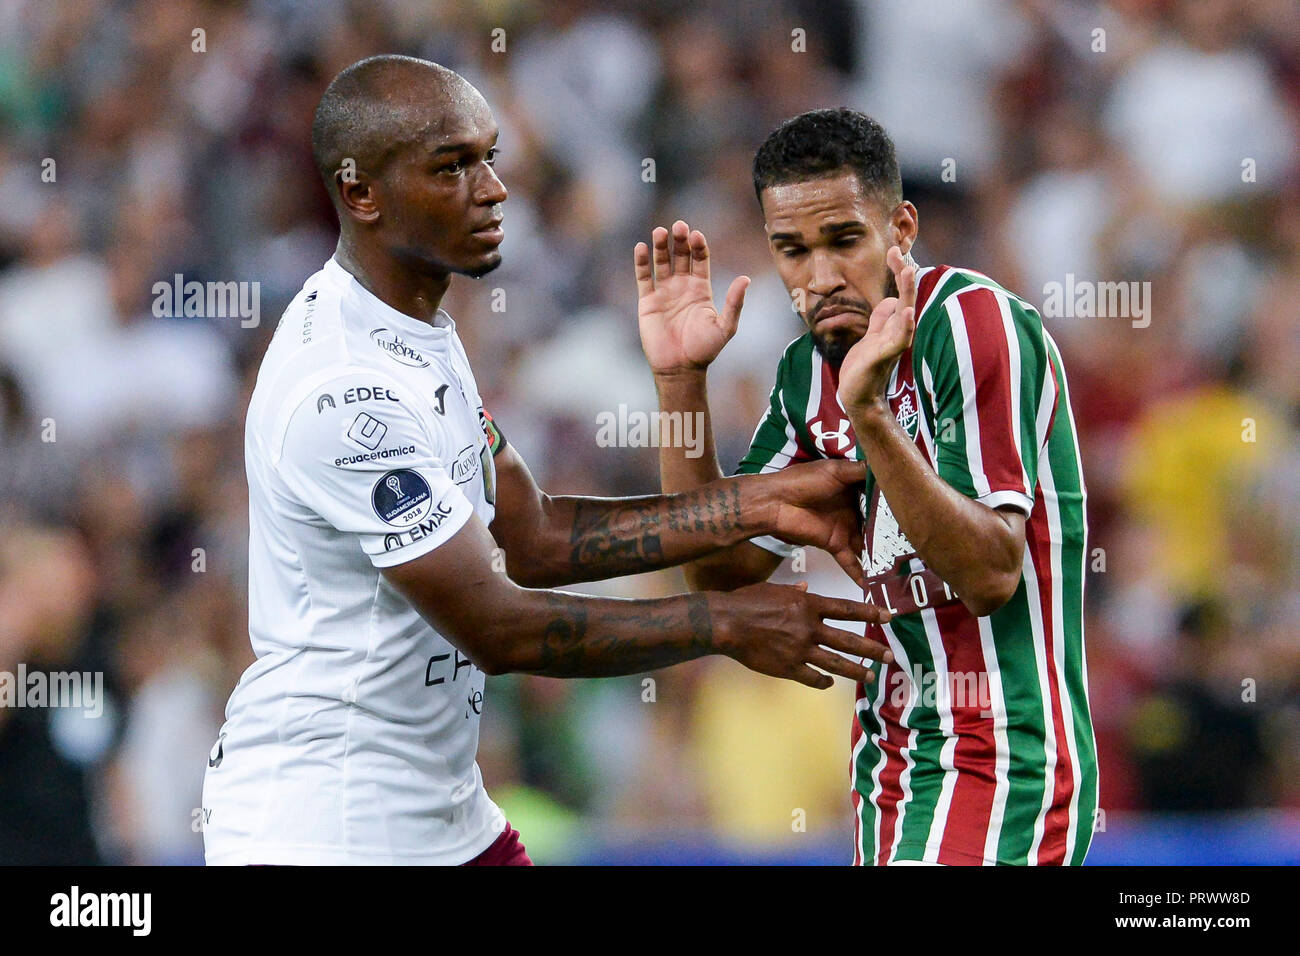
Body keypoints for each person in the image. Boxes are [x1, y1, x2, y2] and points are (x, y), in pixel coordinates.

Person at [201, 57, 892, 866]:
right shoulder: (343, 391)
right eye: (452, 167)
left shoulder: (415, 331)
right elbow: (495, 626)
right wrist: (725, 623)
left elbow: (534, 535)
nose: (493, 188)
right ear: (362, 194)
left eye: (490, 156)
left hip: (442, 817)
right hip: (329, 831)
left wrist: (757, 502)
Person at [637, 108, 1097, 866]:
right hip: (888, 762)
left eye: (843, 241)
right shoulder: (801, 375)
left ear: (901, 228)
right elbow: (718, 568)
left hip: (1005, 755)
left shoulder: (970, 322)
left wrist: (871, 418)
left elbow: (988, 574)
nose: (819, 278)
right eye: (791, 250)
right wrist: (681, 381)